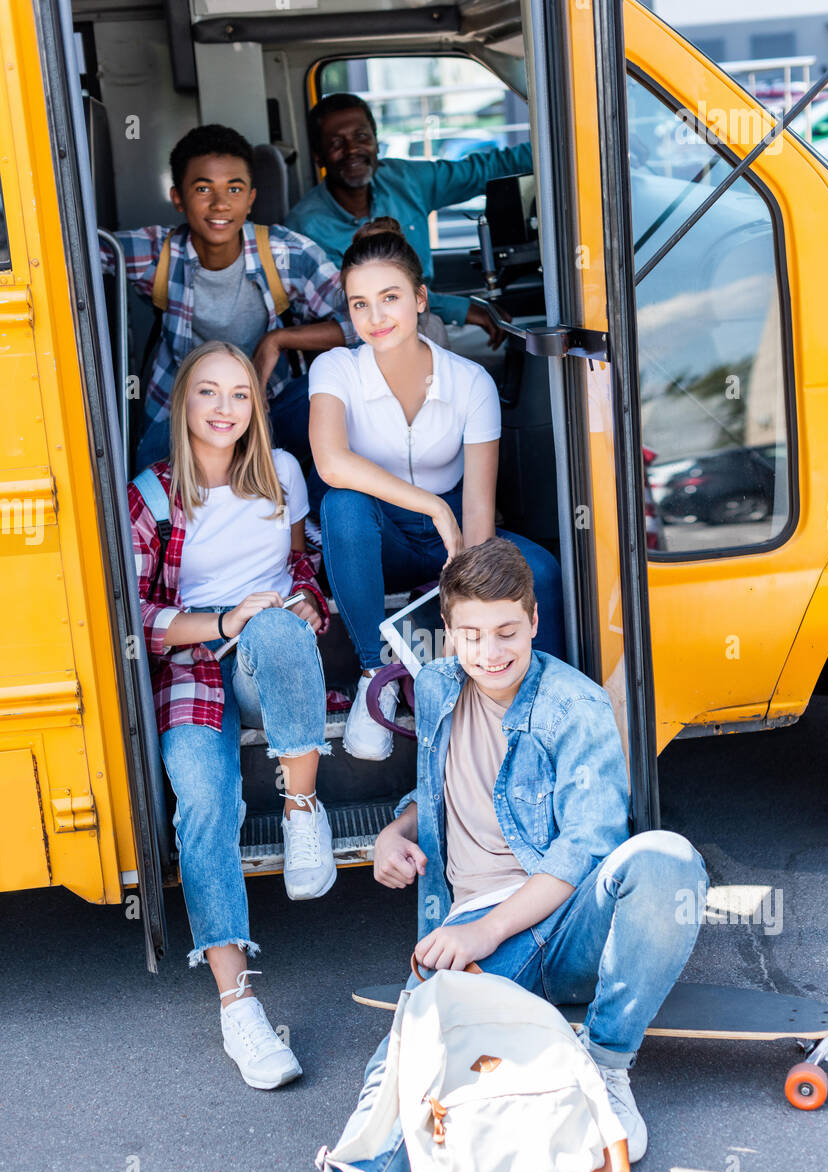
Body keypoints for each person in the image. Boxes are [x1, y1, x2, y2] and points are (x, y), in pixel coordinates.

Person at [144, 537, 709, 1172]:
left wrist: (484, 932)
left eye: (506, 631)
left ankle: (606, 1067)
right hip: (474, 924)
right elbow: (445, 791)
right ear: (450, 630)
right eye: (471, 633)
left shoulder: (572, 703)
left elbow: (585, 848)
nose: (489, 651)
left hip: (561, 919)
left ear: (533, 620)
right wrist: (395, 832)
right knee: (410, 1067)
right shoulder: (440, 685)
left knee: (666, 858)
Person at [128, 340, 336, 1090]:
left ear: (256, 407)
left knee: (277, 626)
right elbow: (140, 618)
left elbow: (302, 565)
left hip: (267, 654)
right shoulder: (150, 498)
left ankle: (301, 807)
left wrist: (302, 603)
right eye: (208, 393)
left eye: (240, 394)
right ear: (183, 403)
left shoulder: (280, 478)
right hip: (191, 665)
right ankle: (238, 1004)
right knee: (204, 806)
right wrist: (221, 621)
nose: (224, 409)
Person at [310, 216, 566, 762]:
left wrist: (464, 607)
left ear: (421, 299)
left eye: (390, 297)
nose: (375, 317)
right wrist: (429, 507)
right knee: (342, 505)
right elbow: (332, 463)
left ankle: (537, 716)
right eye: (359, 304)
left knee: (540, 571)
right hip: (379, 539)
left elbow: (476, 517)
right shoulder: (335, 369)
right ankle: (373, 672)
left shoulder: (470, 382)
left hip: (453, 532)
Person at [101, 123, 356, 471]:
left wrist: (277, 340)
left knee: (332, 389)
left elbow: (365, 321)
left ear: (251, 198)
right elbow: (68, 249)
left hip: (269, 405)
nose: (220, 204)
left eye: (234, 189)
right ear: (178, 198)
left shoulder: (284, 253)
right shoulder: (159, 253)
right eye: (203, 188)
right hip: (183, 415)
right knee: (149, 470)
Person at [286, 92, 534, 347]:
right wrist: (461, 309)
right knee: (428, 327)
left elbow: (483, 170)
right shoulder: (303, 227)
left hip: (418, 311)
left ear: (376, 143)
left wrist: (557, 146)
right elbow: (367, 301)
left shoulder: (405, 180)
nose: (352, 150)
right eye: (337, 143)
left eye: (362, 137)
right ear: (319, 156)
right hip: (354, 338)